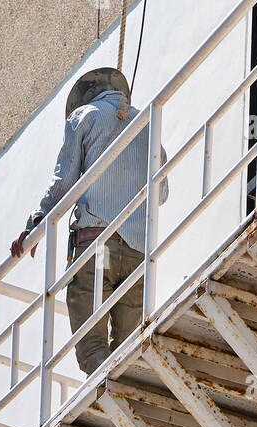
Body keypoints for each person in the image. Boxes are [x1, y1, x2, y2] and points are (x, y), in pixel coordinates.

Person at [10, 67, 168, 376]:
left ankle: (109, 398)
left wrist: (35, 225)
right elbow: (161, 192)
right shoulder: (149, 122)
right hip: (138, 253)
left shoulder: (83, 116)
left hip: (97, 244)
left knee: (93, 348)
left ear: (86, 95)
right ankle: (126, 397)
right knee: (128, 349)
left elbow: (64, 181)